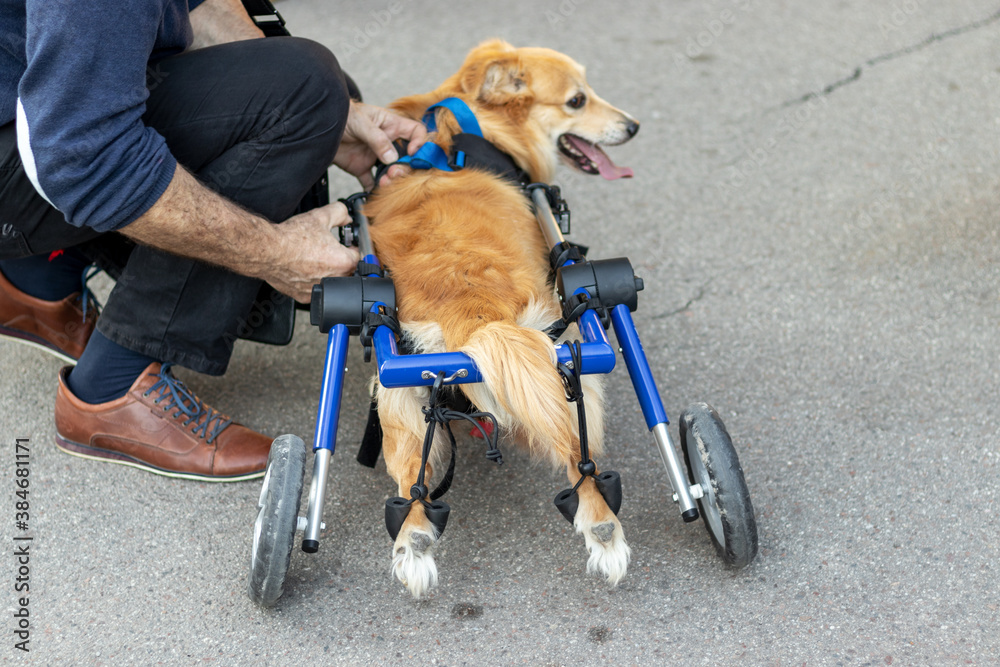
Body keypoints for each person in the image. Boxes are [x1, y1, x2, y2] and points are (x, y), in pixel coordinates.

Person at [0, 0, 426, 481]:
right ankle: (113, 387)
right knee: (305, 95)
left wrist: (338, 114)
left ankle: (35, 280)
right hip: (42, 152)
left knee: (315, 90)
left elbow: (193, 8)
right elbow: (85, 162)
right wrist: (276, 252)